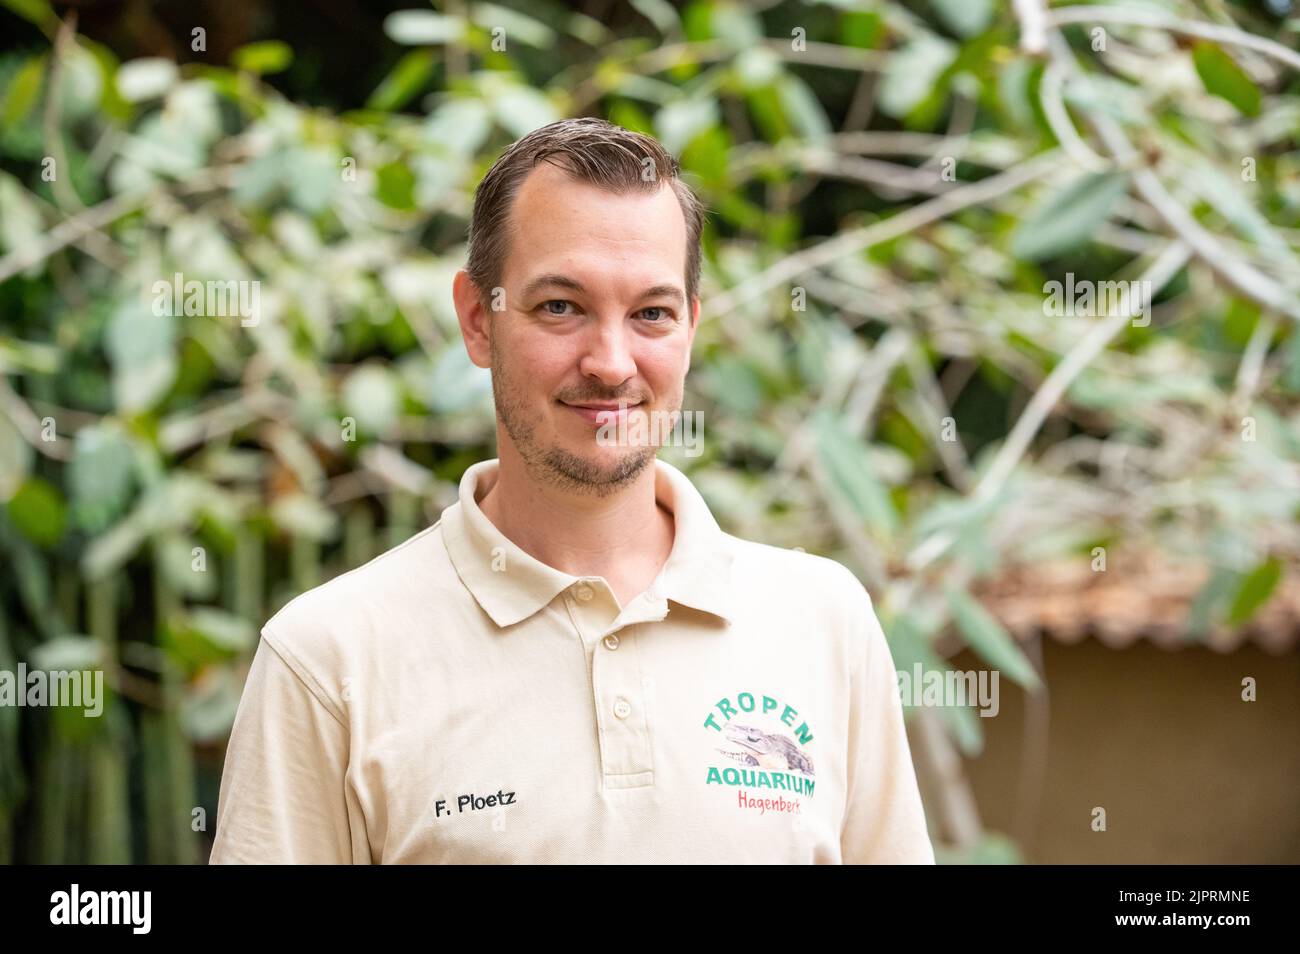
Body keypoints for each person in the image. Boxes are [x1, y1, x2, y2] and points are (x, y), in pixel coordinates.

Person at [209, 117, 935, 864]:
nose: (611, 362)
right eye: (561, 306)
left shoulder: (823, 622)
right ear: (476, 320)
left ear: (691, 326)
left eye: (651, 312)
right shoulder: (329, 659)